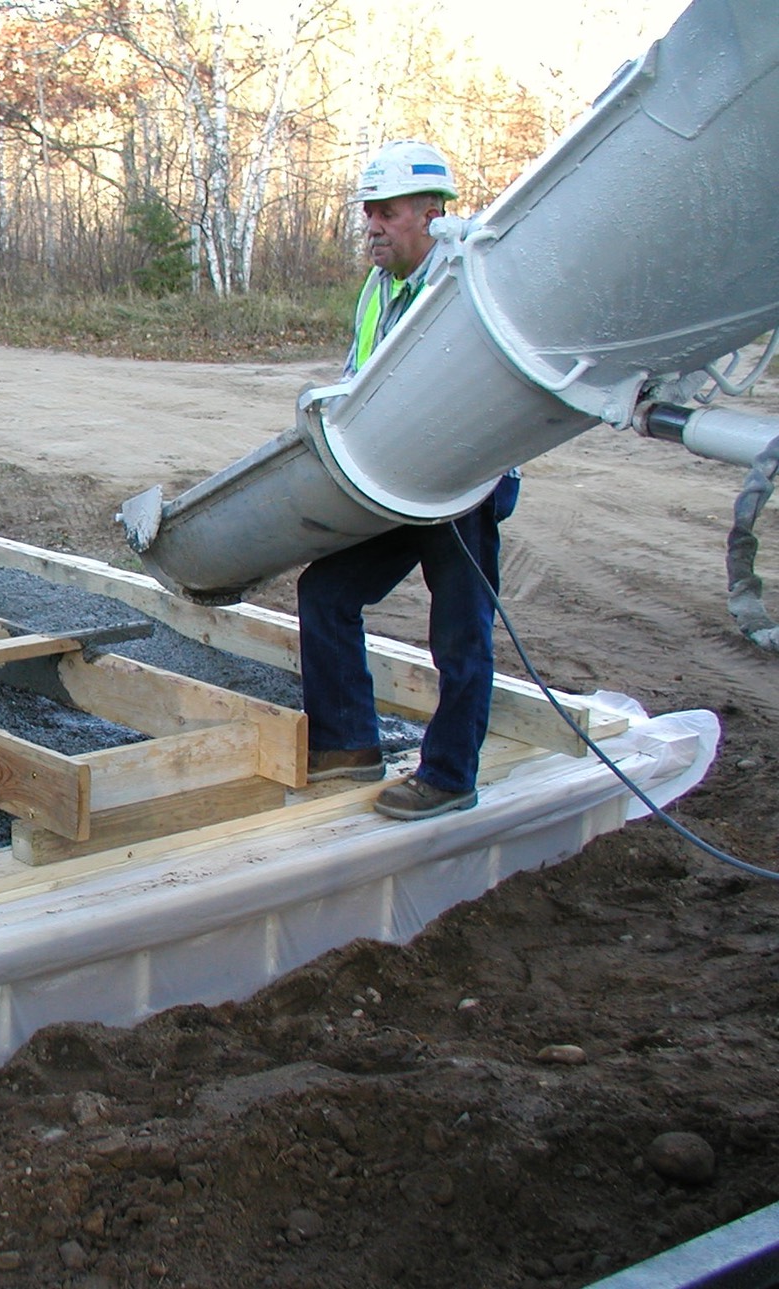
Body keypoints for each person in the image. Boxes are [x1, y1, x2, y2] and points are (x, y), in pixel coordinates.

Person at [297, 140, 520, 821]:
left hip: (460, 483)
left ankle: (450, 776)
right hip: (393, 480)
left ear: (432, 213)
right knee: (326, 592)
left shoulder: (467, 280)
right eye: (368, 213)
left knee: (458, 633)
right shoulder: (379, 287)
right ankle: (347, 744)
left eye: (387, 213)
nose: (372, 226)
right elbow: (359, 377)